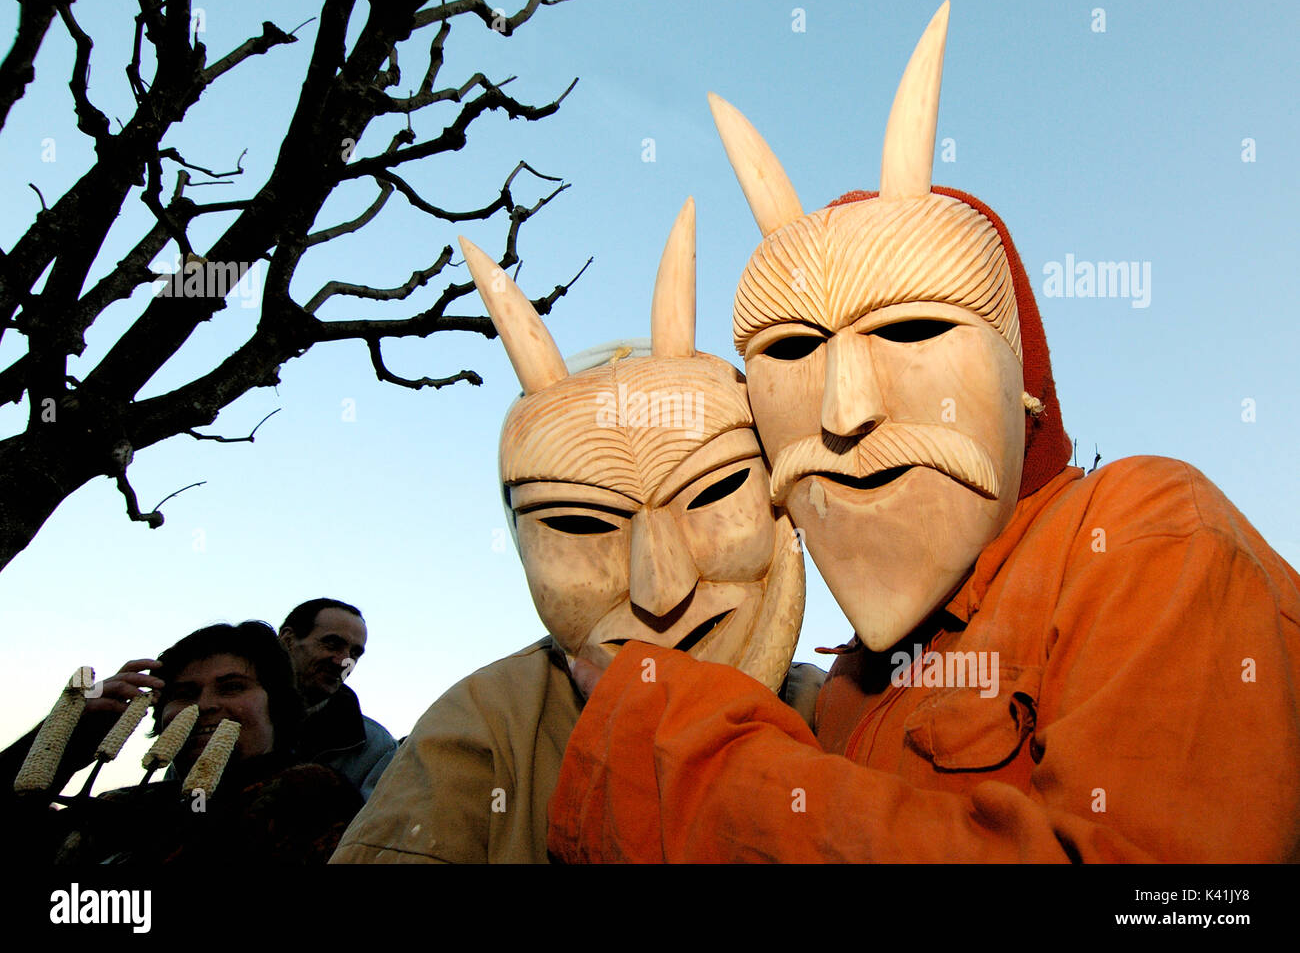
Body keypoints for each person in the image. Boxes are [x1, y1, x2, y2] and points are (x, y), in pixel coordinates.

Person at [544, 3, 1300, 863]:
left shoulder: (1144, 534)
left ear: (1026, 390)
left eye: (911, 331)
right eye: (791, 352)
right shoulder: (848, 688)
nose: (841, 412)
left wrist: (672, 754)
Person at [331, 199, 822, 863]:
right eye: (581, 524)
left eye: (711, 493)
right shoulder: (486, 729)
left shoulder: (843, 712)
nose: (661, 587)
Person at [4, 621, 361, 865]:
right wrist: (61, 744)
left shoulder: (313, 796)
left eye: (233, 687)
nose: (204, 705)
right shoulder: (127, 806)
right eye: (184, 694)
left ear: (278, 707)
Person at [278, 598, 396, 797]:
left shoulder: (376, 749)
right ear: (287, 641)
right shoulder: (222, 712)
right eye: (332, 644)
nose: (344, 661)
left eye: (355, 653)